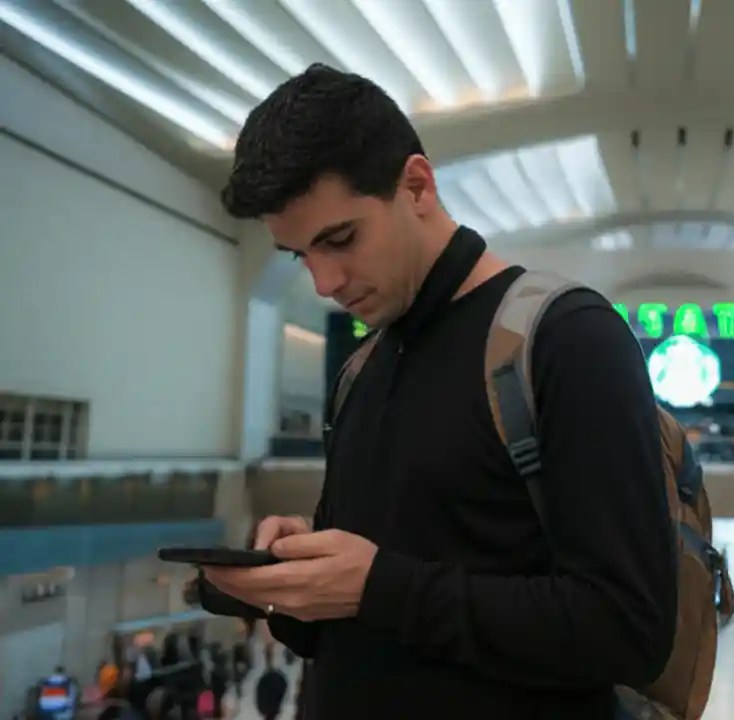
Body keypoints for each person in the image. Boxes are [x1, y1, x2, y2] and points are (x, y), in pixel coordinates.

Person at [196, 63, 677, 718]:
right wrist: (291, 579)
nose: (324, 282)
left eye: (340, 240)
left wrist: (377, 585)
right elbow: (370, 612)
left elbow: (629, 631)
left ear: (417, 186)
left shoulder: (567, 339)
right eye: (300, 255)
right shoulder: (363, 367)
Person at [254, 652, 287, 720]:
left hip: (272, 678)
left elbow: (259, 691)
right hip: (274, 678)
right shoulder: (265, 709)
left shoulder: (266, 708)